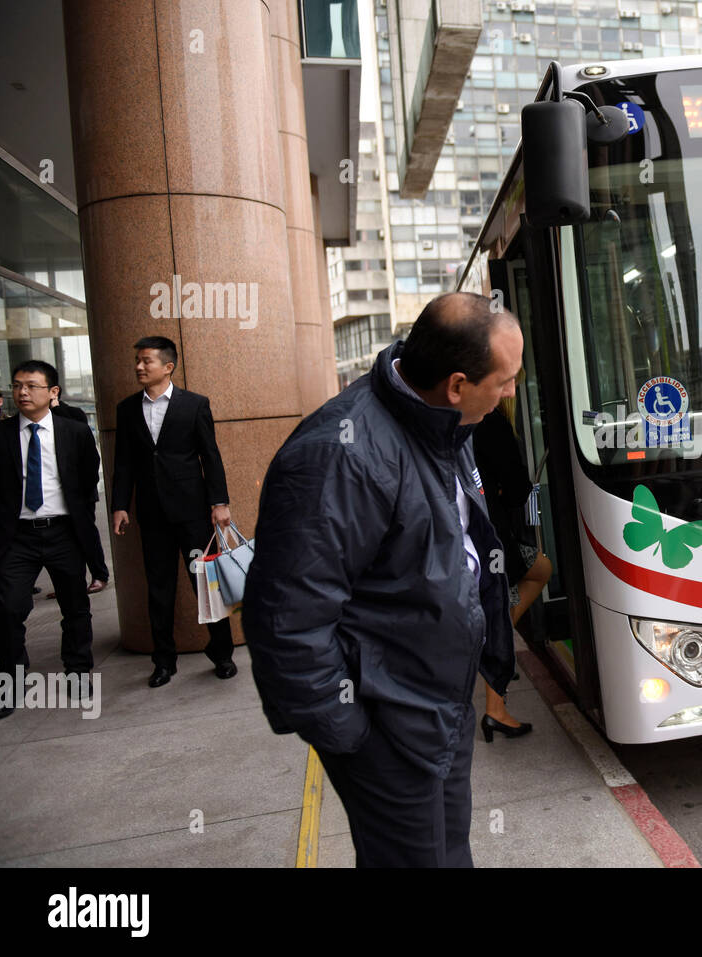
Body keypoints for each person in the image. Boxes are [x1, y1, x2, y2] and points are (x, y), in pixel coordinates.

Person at [243, 291, 521, 868]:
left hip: (436, 709)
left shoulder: (441, 427)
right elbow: (286, 624)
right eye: (505, 381)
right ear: (456, 384)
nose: (511, 393)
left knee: (447, 854)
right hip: (387, 726)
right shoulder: (340, 456)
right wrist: (355, 738)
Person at [110, 336, 236, 687]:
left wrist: (219, 503)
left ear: (168, 366)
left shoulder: (194, 404)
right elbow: (124, 464)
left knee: (206, 585)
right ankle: (163, 661)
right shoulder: (127, 409)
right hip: (152, 517)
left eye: (146, 361)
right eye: (137, 360)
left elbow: (210, 456)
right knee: (159, 588)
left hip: (194, 514)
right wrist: (120, 505)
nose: (138, 366)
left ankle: (222, 653)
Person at [0, 361, 101, 719]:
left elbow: (88, 484)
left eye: (31, 386)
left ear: (52, 392)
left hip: (62, 533)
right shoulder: (2, 434)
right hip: (17, 538)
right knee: (8, 609)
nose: (22, 393)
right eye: (17, 386)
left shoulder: (74, 432)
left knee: (75, 609)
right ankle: (12, 679)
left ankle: (78, 674)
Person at [472, 401, 553, 742]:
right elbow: (519, 487)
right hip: (493, 534)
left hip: (469, 536)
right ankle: (495, 708)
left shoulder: (453, 419)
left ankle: (492, 669)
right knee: (529, 581)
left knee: (510, 596)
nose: (510, 390)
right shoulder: (491, 421)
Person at [50, 394, 109, 593]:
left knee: (86, 534)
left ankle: (99, 575)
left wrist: (57, 408)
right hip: (52, 498)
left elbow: (89, 458)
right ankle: (67, 585)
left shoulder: (73, 413)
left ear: (53, 391)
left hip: (79, 493)